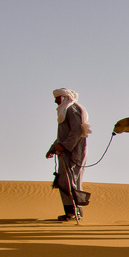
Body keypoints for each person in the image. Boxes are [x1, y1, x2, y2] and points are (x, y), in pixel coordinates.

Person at [47, 88, 91, 221]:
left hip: (75, 151)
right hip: (65, 151)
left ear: (64, 97)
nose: (55, 101)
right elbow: (62, 135)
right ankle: (69, 212)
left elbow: (76, 131)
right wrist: (53, 148)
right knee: (63, 180)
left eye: (57, 98)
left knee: (72, 180)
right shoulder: (65, 111)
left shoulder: (72, 110)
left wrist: (65, 146)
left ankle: (76, 212)